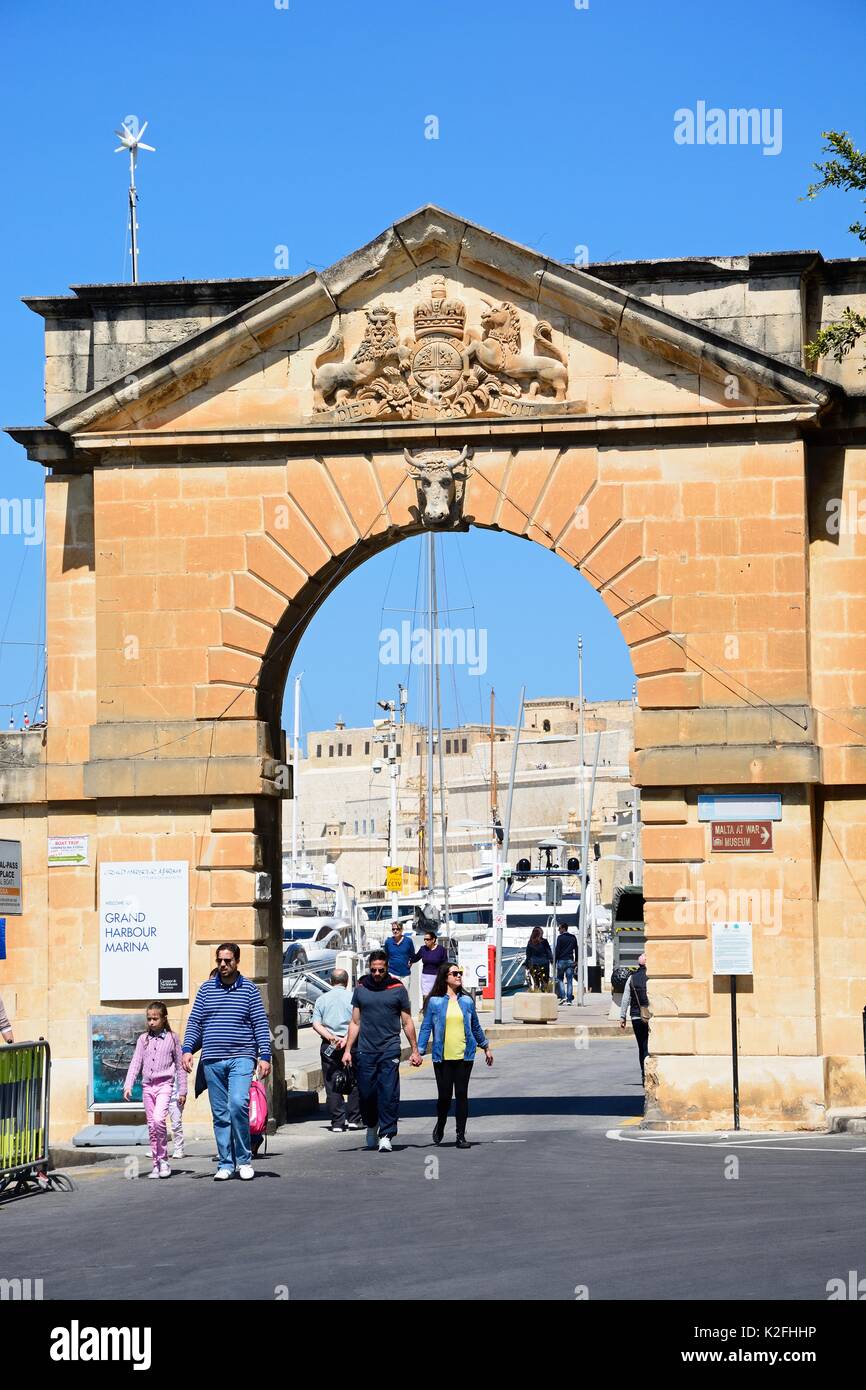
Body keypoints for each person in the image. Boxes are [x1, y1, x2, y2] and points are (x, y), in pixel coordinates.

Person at [182, 943, 272, 1181]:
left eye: (228, 961)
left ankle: (243, 1160)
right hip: (212, 1059)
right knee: (220, 1114)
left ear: (237, 962)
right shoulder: (206, 990)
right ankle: (225, 1163)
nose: (223, 965)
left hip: (241, 1057)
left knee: (237, 1104)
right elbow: (195, 1022)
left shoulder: (250, 990)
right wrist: (187, 1049)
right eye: (220, 960)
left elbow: (260, 1025)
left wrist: (265, 1056)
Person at [342, 949, 422, 1152]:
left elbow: (406, 1021)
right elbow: (355, 1022)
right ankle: (371, 1125)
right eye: (374, 970)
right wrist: (348, 1050)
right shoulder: (361, 988)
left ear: (387, 968)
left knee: (388, 1093)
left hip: (390, 1049)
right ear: (369, 968)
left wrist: (415, 1050)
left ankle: (386, 1134)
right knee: (367, 1094)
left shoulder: (397, 989)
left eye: (381, 970)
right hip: (365, 1050)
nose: (377, 974)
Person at [418, 961, 493, 1149]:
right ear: (445, 977)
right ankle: (441, 1122)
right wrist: (418, 1052)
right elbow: (426, 1027)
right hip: (441, 1057)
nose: (459, 976)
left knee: (461, 1094)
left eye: (460, 973)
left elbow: (475, 1026)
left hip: (464, 1056)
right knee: (444, 1097)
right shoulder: (434, 1001)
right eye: (454, 973)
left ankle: (460, 1135)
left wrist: (486, 1047)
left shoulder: (467, 1001)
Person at [123, 1001, 187, 1179]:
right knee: (152, 1126)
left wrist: (182, 1091)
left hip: (165, 1085)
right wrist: (128, 1084)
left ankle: (164, 1159)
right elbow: (136, 1063)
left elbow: (180, 1066)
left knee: (159, 1120)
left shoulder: (172, 1038)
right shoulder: (143, 1039)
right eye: (149, 1019)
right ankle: (156, 1164)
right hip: (147, 1087)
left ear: (164, 1018)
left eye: (155, 1018)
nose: (151, 1022)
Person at [311, 968, 363, 1132]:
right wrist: (346, 1040)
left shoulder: (322, 1000)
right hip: (352, 1043)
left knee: (332, 1083)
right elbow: (358, 1022)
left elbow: (316, 1024)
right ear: (347, 982)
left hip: (329, 1045)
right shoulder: (354, 998)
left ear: (330, 981)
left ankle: (337, 1122)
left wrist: (330, 1037)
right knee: (354, 1080)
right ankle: (354, 1119)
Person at [620, 953, 650, 1083]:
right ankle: (651, 1074)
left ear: (638, 964)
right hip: (650, 1016)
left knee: (641, 1046)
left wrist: (622, 1017)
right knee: (650, 1046)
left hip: (636, 1016)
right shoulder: (652, 978)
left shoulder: (631, 978)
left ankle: (644, 1074)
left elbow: (625, 999)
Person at [411, 928, 448, 1001]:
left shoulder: (441, 949)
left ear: (433, 940)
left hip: (437, 976)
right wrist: (409, 961)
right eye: (424, 939)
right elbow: (415, 958)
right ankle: (425, 1011)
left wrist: (444, 976)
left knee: (437, 997)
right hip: (426, 977)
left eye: (427, 939)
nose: (425, 941)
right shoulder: (423, 949)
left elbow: (445, 963)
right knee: (426, 997)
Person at [382, 919, 414, 985]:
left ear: (402, 929)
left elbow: (412, 956)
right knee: (393, 994)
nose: (395, 931)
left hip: (405, 974)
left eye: (398, 929)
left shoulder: (408, 941)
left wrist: (410, 963)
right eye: (393, 929)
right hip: (392, 973)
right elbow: (386, 957)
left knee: (404, 994)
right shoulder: (388, 942)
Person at [554, 921, 578, 1005]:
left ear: (563, 928)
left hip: (561, 961)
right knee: (569, 980)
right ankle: (569, 1000)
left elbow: (557, 950)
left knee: (560, 979)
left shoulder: (560, 938)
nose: (558, 930)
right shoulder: (573, 937)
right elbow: (576, 949)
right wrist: (576, 960)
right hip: (570, 961)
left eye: (559, 928)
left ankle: (563, 997)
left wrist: (555, 960)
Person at [524, 926, 553, 991]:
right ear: (541, 933)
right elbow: (548, 952)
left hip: (534, 964)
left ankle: (536, 994)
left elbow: (528, 955)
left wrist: (526, 965)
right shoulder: (544, 941)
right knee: (545, 981)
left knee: (536, 982)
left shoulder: (530, 942)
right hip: (544, 963)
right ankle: (544, 994)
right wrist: (552, 960)